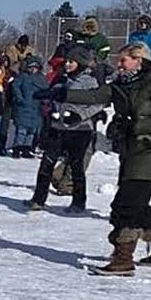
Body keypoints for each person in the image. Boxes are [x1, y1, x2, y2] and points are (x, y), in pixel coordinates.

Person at [65, 43, 151, 276]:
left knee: (125, 207)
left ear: (139, 61)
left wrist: (136, 126)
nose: (119, 64)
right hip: (131, 153)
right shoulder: (120, 86)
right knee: (135, 205)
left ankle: (123, 258)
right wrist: (62, 93)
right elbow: (96, 96)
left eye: (123, 60)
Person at [27, 47, 103, 213]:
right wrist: (48, 103)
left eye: (71, 62)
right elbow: (54, 96)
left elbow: (98, 104)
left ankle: (78, 201)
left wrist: (80, 115)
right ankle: (38, 199)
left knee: (76, 166)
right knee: (46, 162)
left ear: (80, 64)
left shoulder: (89, 82)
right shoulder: (61, 79)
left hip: (80, 130)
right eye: (66, 61)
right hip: (58, 127)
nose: (67, 64)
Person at [8, 56, 48, 157]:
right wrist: (19, 98)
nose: (33, 69)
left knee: (32, 130)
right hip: (23, 106)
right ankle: (17, 148)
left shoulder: (41, 79)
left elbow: (46, 91)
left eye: (35, 67)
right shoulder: (23, 76)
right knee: (21, 129)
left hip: (36, 107)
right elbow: (15, 87)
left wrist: (44, 101)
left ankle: (27, 148)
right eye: (31, 67)